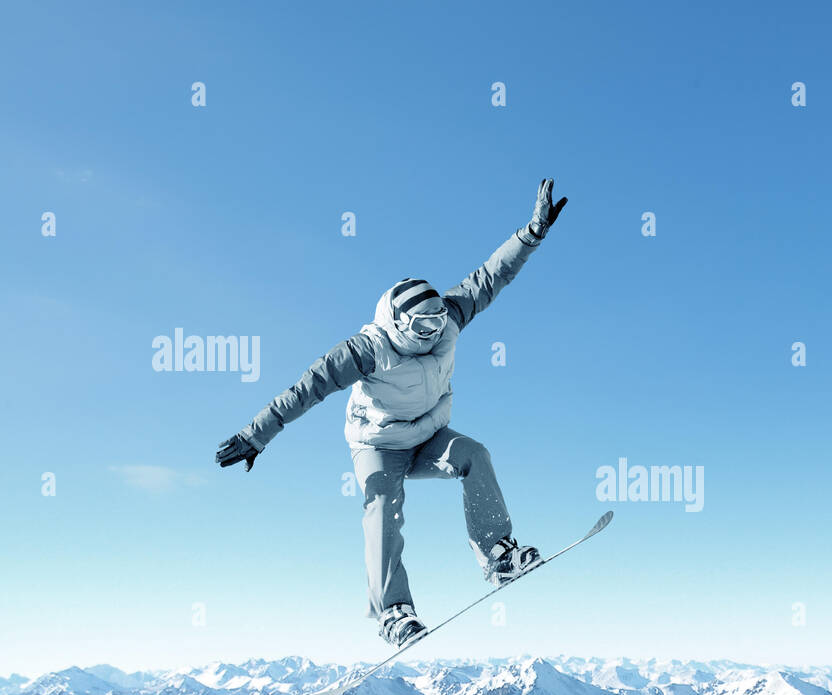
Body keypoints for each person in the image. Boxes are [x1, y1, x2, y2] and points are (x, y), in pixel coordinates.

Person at [215, 178, 568, 648]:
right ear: (399, 323)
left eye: (438, 321)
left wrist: (531, 233)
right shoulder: (366, 350)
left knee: (474, 455)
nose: (433, 332)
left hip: (428, 433)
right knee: (381, 504)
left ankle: (497, 554)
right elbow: (307, 388)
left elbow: (490, 277)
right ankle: (393, 611)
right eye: (423, 326)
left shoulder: (448, 318)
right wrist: (257, 435)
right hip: (378, 444)